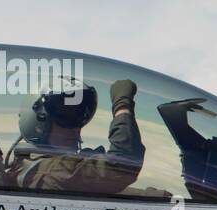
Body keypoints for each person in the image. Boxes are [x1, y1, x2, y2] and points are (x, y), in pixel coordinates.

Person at [9, 78, 144, 195]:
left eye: (79, 115)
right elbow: (124, 164)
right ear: (39, 121)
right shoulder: (51, 171)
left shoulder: (31, 168)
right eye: (67, 116)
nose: (75, 128)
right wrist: (122, 106)